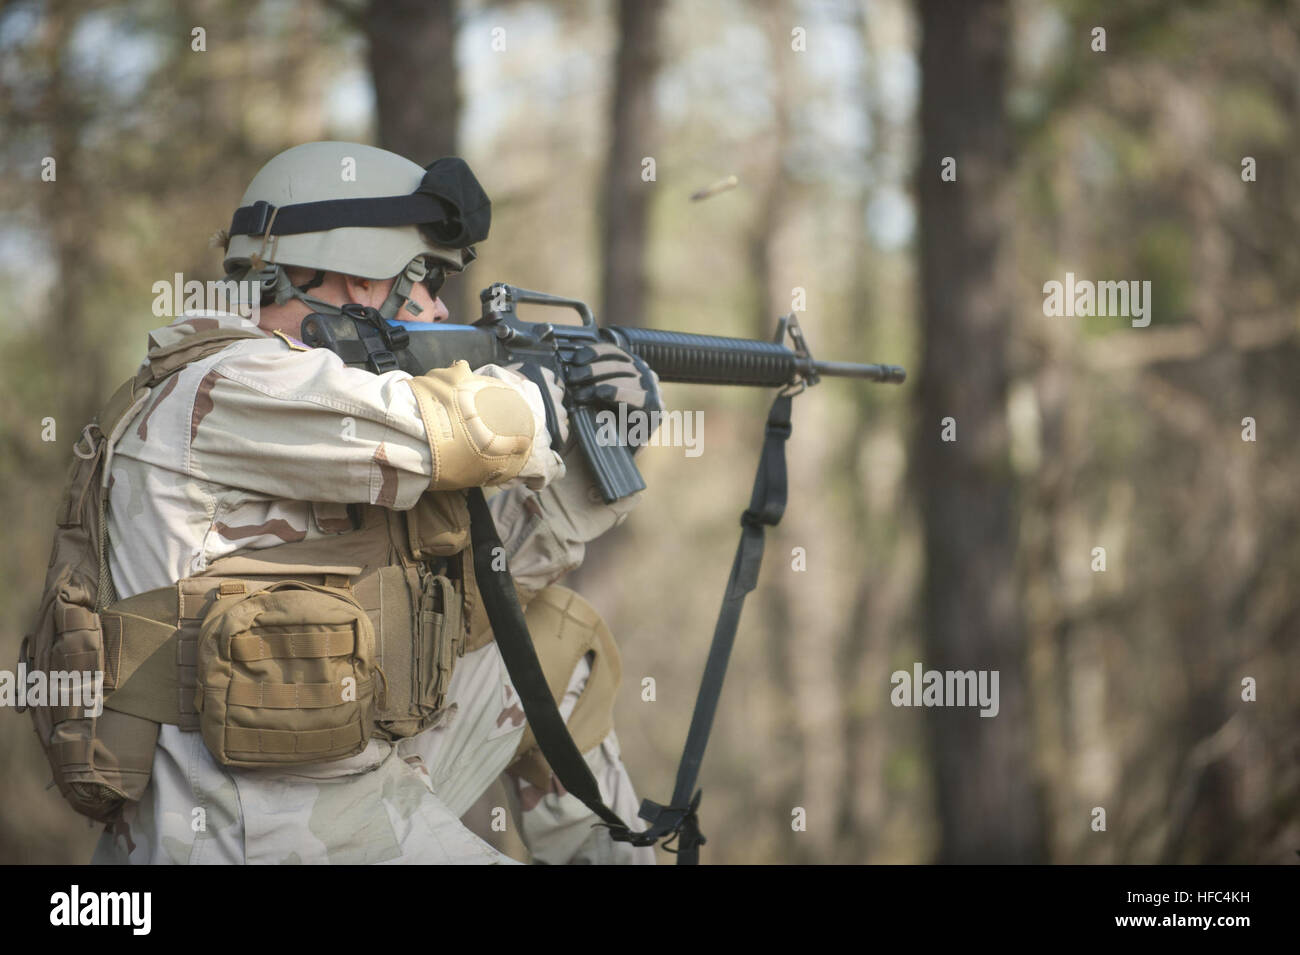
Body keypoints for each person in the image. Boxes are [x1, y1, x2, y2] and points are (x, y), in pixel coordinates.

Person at [76, 141, 657, 864]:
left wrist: (597, 464)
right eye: (429, 279)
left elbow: (481, 595)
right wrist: (541, 390)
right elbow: (451, 430)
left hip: (341, 773)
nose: (442, 307)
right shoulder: (226, 383)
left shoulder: (318, 421)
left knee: (549, 640)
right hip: (245, 828)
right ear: (356, 274)